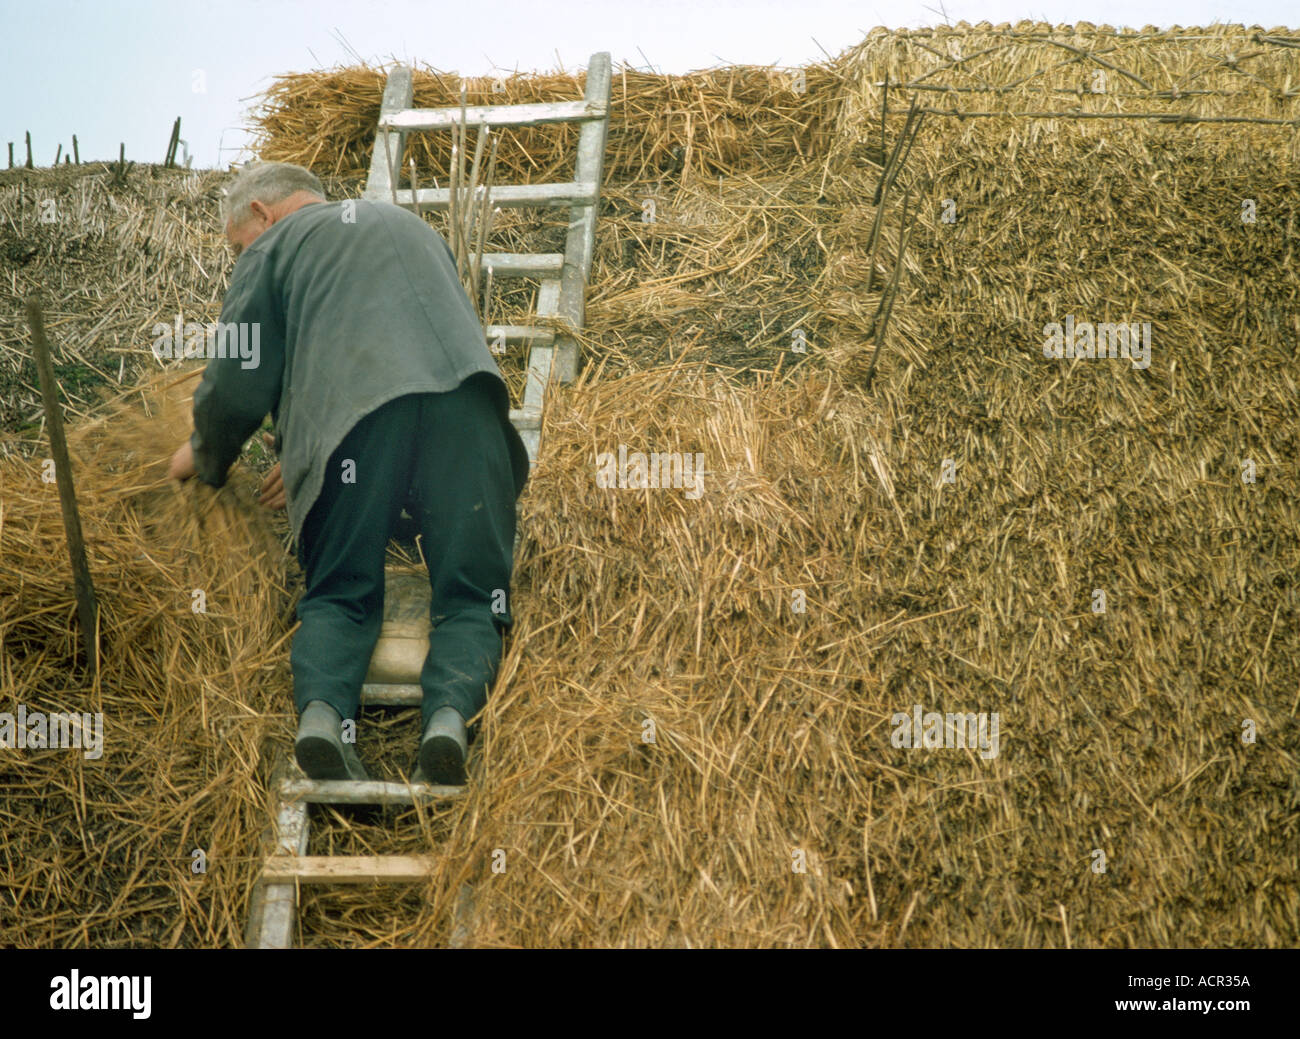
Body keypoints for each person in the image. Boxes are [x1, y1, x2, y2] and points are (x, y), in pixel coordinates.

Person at [167, 161, 529, 785]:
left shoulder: (277, 244)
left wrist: (206, 451)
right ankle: (447, 720)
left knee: (339, 592)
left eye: (236, 246)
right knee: (472, 597)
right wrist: (303, 447)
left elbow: (239, 370)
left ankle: (322, 719)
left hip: (357, 429)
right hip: (471, 414)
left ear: (261, 213)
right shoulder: (409, 226)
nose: (239, 257)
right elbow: (403, 355)